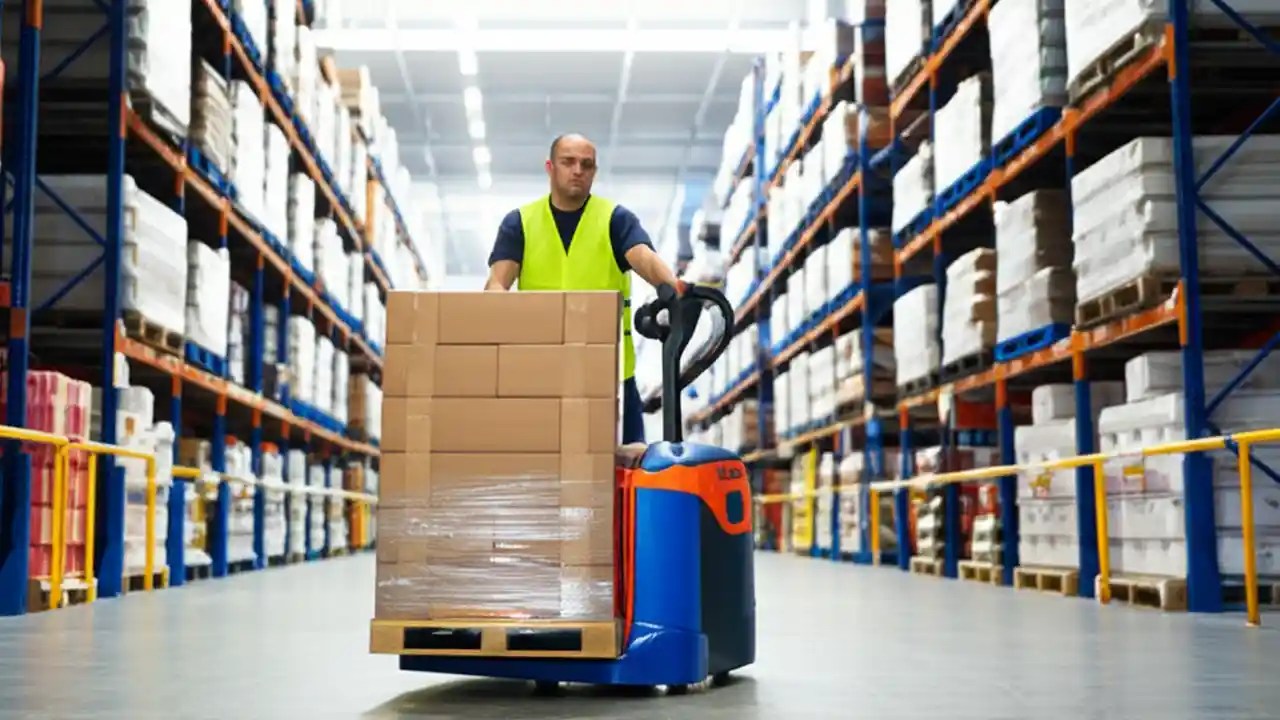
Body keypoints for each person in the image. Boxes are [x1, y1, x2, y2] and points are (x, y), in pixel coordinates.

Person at [484, 133, 683, 445]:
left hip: (611, 375)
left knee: (623, 472)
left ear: (594, 172)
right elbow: (497, 282)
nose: (578, 170)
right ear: (550, 167)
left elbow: (643, 256)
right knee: (542, 471)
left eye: (587, 165)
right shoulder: (520, 222)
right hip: (541, 375)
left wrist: (673, 287)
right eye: (568, 162)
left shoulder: (615, 219)